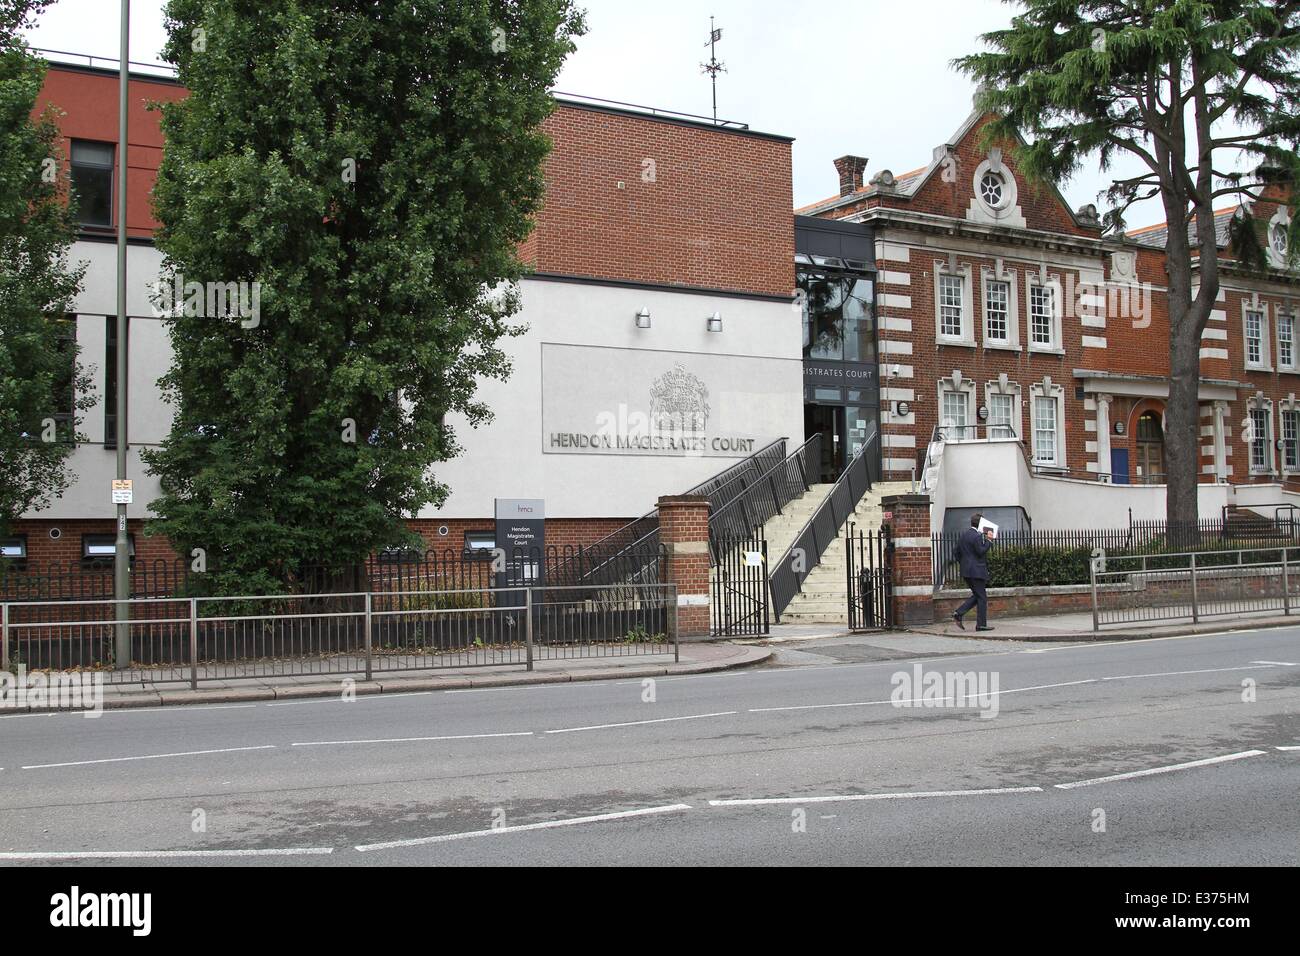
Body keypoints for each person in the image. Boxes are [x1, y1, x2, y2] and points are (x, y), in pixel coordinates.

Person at [953, 512, 995, 632]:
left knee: (978, 595)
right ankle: (980, 625)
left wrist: (964, 564)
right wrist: (989, 540)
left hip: (967, 571)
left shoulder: (964, 535)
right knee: (982, 597)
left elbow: (956, 552)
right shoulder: (977, 536)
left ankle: (959, 613)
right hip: (976, 571)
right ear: (981, 524)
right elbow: (980, 551)